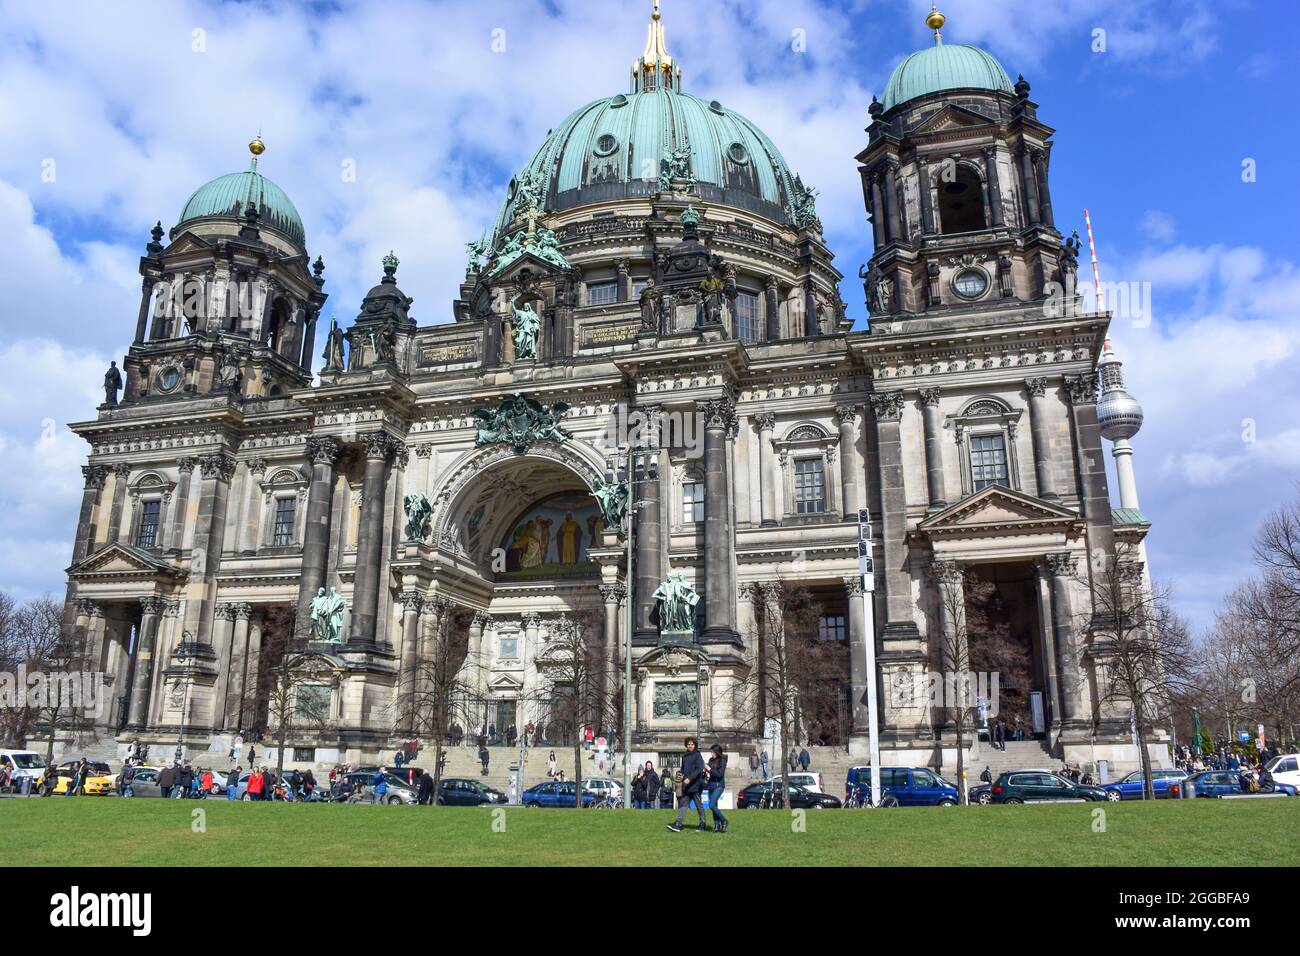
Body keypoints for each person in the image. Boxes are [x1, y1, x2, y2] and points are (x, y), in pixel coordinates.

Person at [666, 738, 708, 833]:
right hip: (686, 785)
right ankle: (677, 824)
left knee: (699, 806)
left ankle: (702, 823)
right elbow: (683, 768)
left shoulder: (697, 755)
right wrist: (680, 774)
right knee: (684, 805)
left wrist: (690, 778)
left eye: (692, 744)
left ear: (695, 745)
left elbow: (699, 769)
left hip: (696, 785)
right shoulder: (684, 756)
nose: (690, 746)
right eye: (688, 744)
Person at [706, 745, 728, 833]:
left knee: (711, 805)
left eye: (713, 752)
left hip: (719, 786)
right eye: (711, 752)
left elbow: (719, 774)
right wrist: (705, 771)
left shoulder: (722, 761)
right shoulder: (710, 760)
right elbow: (708, 772)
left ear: (717, 752)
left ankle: (724, 820)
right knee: (714, 806)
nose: (711, 754)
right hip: (710, 785)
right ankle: (716, 825)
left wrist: (709, 769)